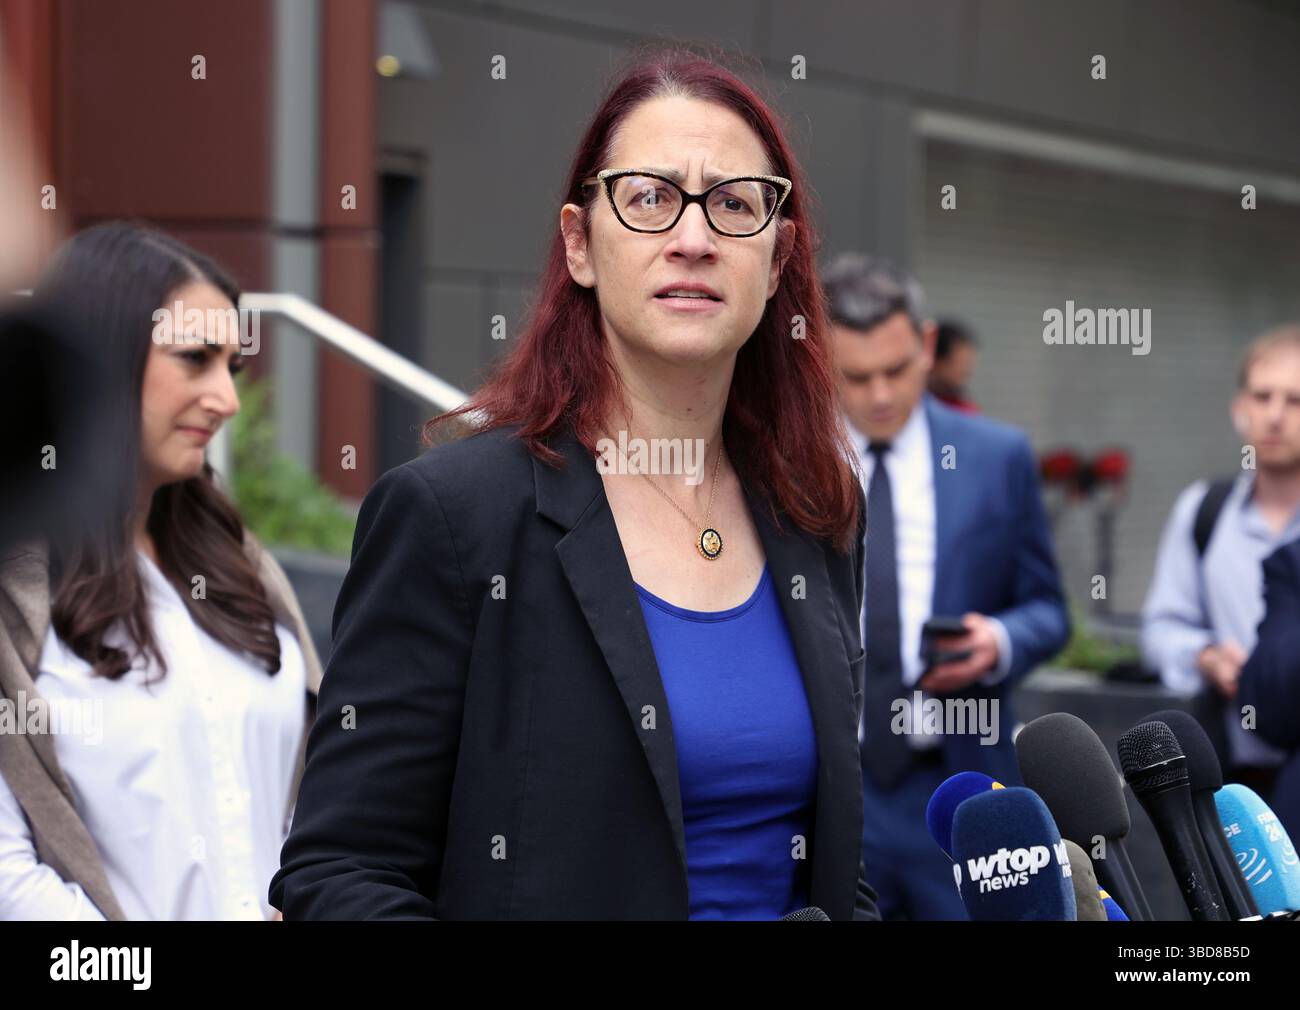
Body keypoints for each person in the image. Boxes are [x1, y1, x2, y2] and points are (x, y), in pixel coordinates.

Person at [271, 49, 880, 920]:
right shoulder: (455, 517)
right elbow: (338, 873)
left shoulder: (817, 515)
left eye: (735, 205)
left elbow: (833, 867)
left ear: (777, 261)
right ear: (579, 244)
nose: (695, 238)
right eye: (650, 197)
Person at [0, 222, 323, 920]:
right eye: (195, 359)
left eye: (231, 368)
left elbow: (317, 797)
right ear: (102, 358)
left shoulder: (243, 563)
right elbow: (7, 873)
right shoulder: (15, 594)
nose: (227, 400)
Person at [822, 253, 1070, 920]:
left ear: (928, 346)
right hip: (832, 792)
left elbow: (1050, 610)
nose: (879, 395)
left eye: (896, 371)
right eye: (856, 376)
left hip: (964, 786)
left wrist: (1000, 639)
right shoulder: (790, 460)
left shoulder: (998, 457)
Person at [1144, 324, 1300, 805]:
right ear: (1240, 409)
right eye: (1263, 395)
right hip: (1232, 774)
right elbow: (1161, 628)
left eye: (1295, 400)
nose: (1275, 415)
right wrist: (1204, 656)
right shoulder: (1204, 511)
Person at [927, 319, 980, 413]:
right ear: (936, 361)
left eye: (969, 363)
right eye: (961, 362)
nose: (967, 371)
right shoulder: (914, 406)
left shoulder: (964, 410)